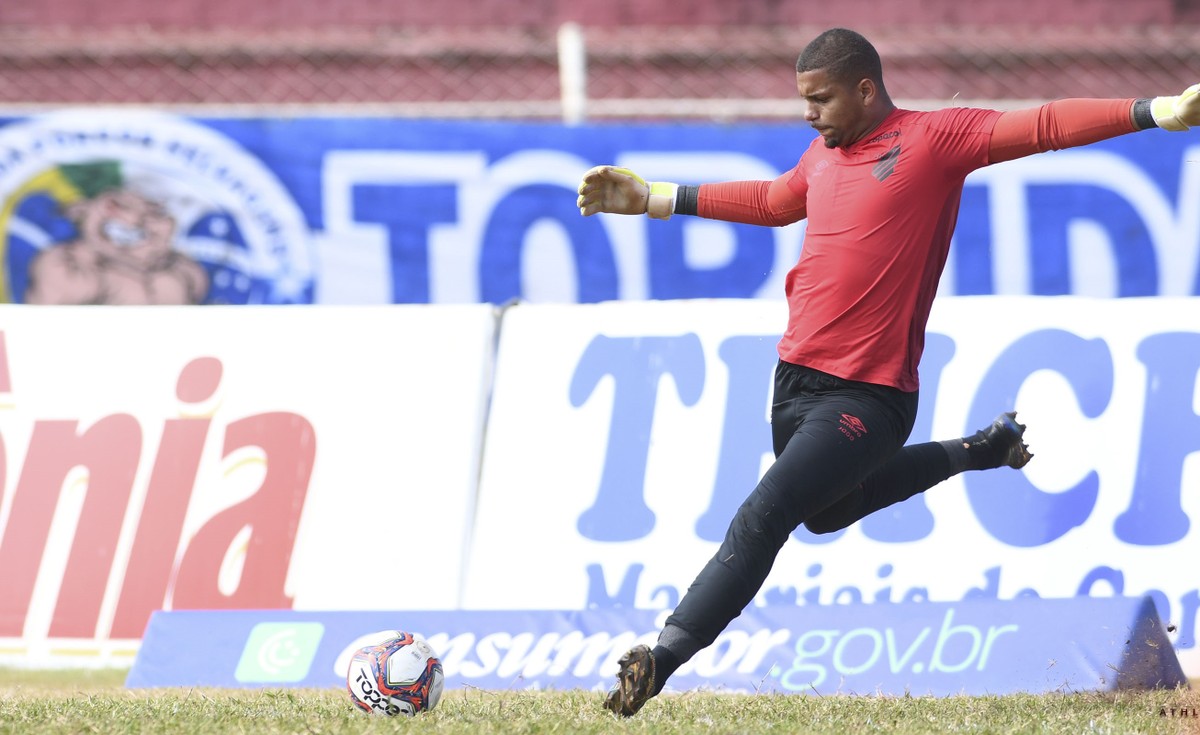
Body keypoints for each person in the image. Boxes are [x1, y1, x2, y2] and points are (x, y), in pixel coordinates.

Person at [576, 27, 1200, 717]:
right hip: (792, 383)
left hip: (868, 397)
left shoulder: (934, 141)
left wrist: (1158, 110)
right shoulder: (823, 153)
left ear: (866, 89)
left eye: (821, 99)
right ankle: (982, 448)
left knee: (767, 513)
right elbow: (775, 201)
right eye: (803, 100)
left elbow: (1046, 124)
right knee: (828, 512)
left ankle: (661, 657)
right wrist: (654, 198)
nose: (809, 114)